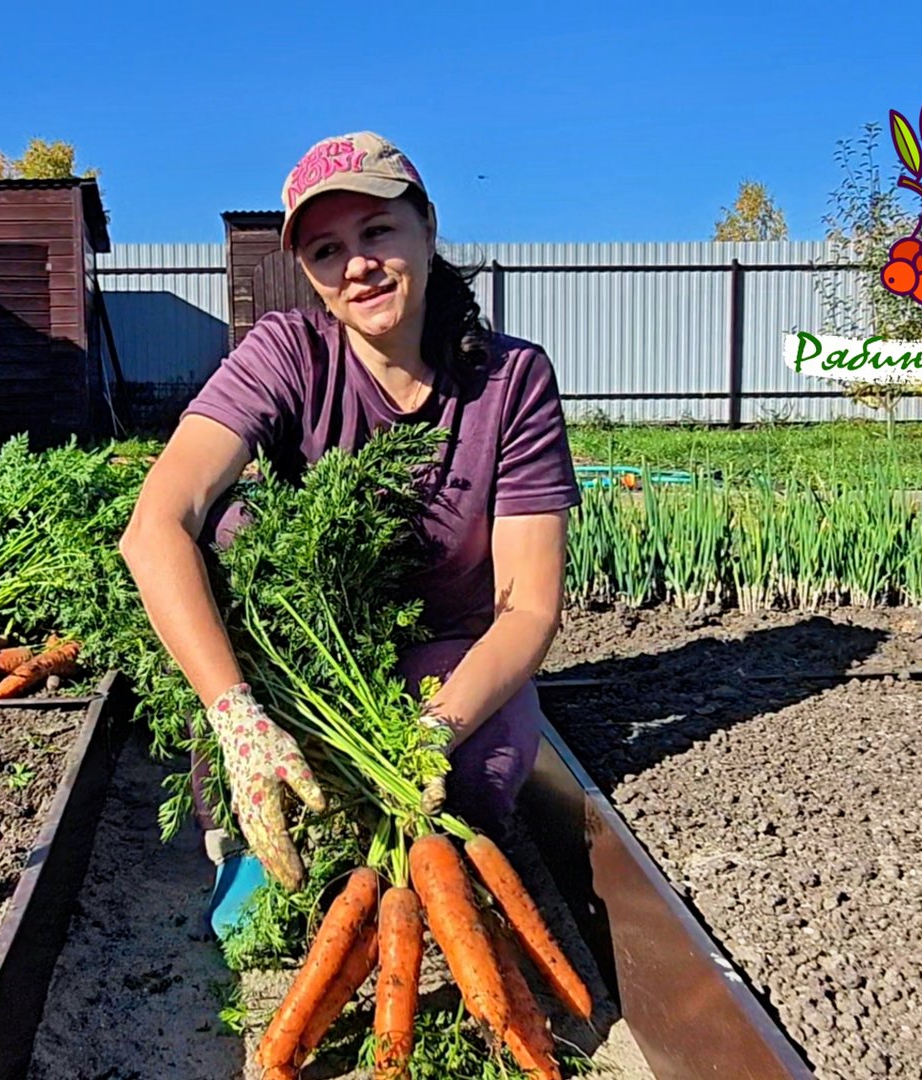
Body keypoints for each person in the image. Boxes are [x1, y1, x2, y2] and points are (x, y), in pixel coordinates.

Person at [118, 132, 582, 937]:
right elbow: (156, 523)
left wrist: (435, 730)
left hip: (447, 654)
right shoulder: (289, 353)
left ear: (427, 228)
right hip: (311, 649)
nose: (357, 265)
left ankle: (413, 868)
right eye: (328, 250)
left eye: (377, 233)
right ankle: (246, 827)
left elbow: (529, 608)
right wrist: (236, 713)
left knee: (478, 772)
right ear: (309, 274)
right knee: (230, 532)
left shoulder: (511, 381)